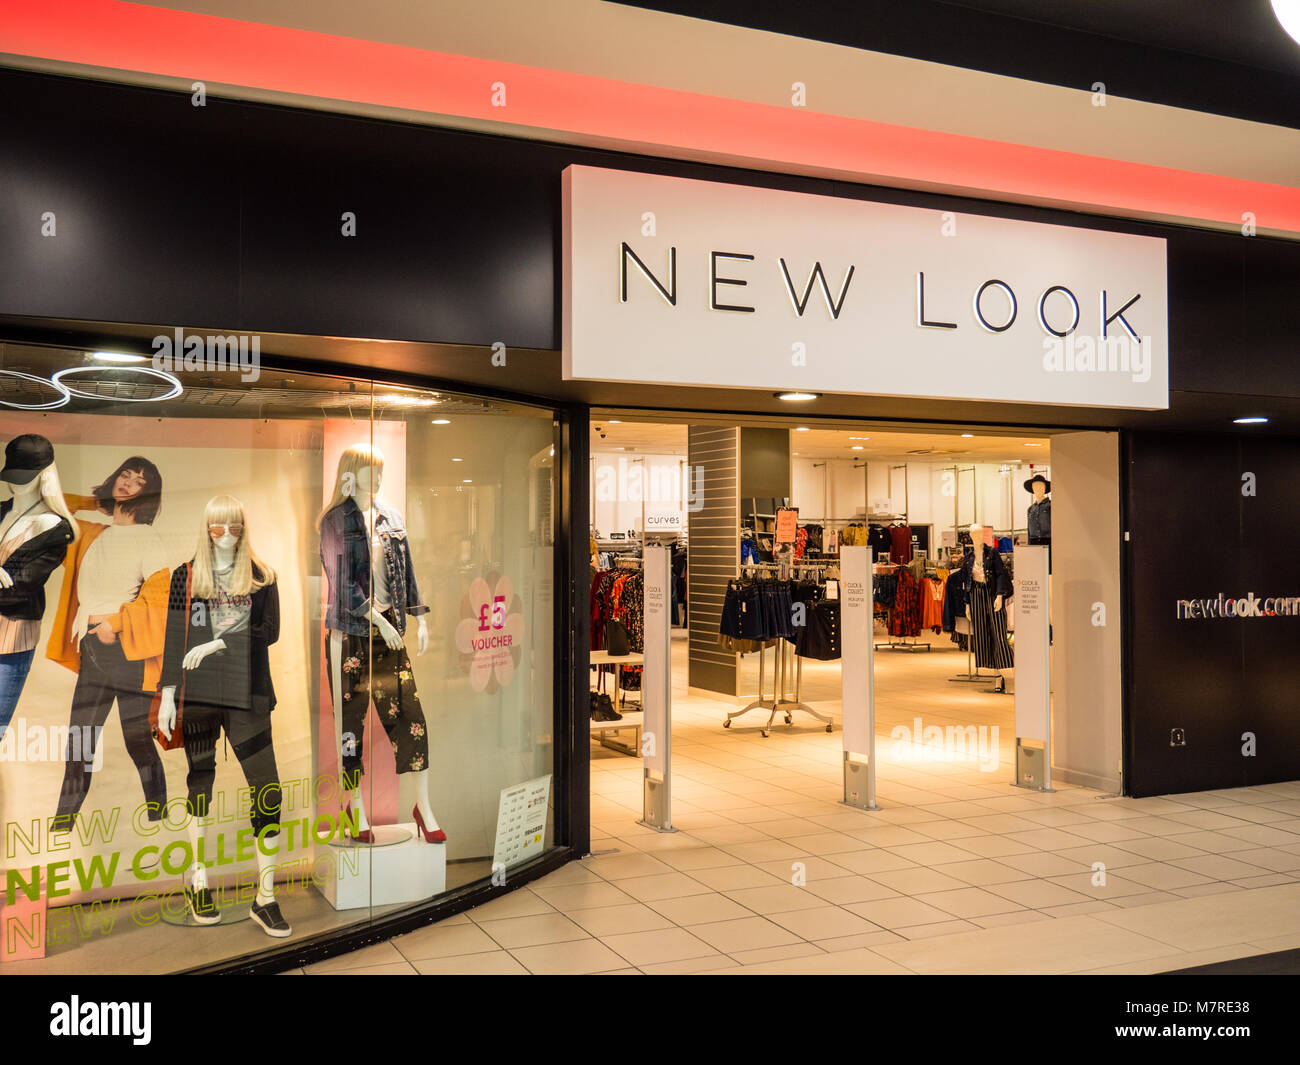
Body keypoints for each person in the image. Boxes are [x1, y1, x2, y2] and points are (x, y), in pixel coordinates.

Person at [157, 495, 290, 937]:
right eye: (218, 528)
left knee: (267, 788)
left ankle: (266, 896)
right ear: (206, 529)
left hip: (247, 695)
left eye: (234, 527)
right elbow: (175, 638)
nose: (227, 536)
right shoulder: (186, 576)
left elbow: (267, 632)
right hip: (198, 698)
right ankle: (199, 880)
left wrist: (215, 643)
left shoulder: (261, 577)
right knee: (200, 783)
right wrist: (168, 695)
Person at [47, 457, 169, 831]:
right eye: (125, 475)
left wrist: (113, 625)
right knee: (79, 740)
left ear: (147, 494)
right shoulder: (91, 533)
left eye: (138, 481)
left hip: (124, 647)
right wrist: (96, 500)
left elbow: (162, 600)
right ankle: (63, 826)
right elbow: (52, 504)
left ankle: (159, 815)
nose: (128, 482)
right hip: (92, 648)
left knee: (137, 740)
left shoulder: (148, 539)